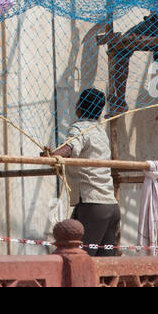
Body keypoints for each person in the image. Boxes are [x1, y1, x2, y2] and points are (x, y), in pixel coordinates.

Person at [44, 88, 120, 257]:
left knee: (77, 258)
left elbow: (70, 147)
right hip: (111, 206)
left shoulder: (79, 127)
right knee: (104, 264)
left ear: (79, 106)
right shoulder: (101, 131)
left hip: (93, 205)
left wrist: (52, 156)